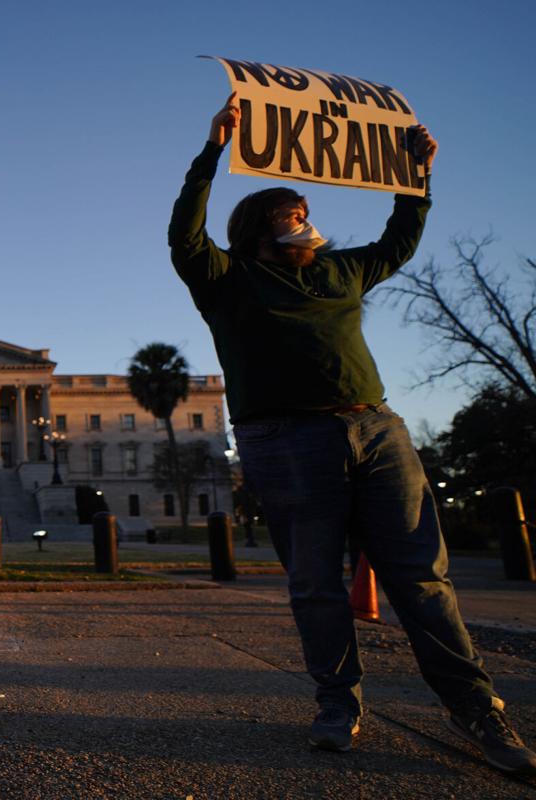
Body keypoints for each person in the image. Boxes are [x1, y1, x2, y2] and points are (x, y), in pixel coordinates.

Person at [167, 92, 536, 774]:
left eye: (307, 215)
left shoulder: (342, 271)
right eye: (289, 218)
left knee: (422, 578)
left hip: (376, 429)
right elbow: (185, 239)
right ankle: (338, 701)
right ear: (256, 232)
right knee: (315, 583)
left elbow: (401, 237)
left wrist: (415, 174)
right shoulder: (229, 280)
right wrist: (213, 151)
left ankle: (478, 708)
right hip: (285, 441)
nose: (305, 225)